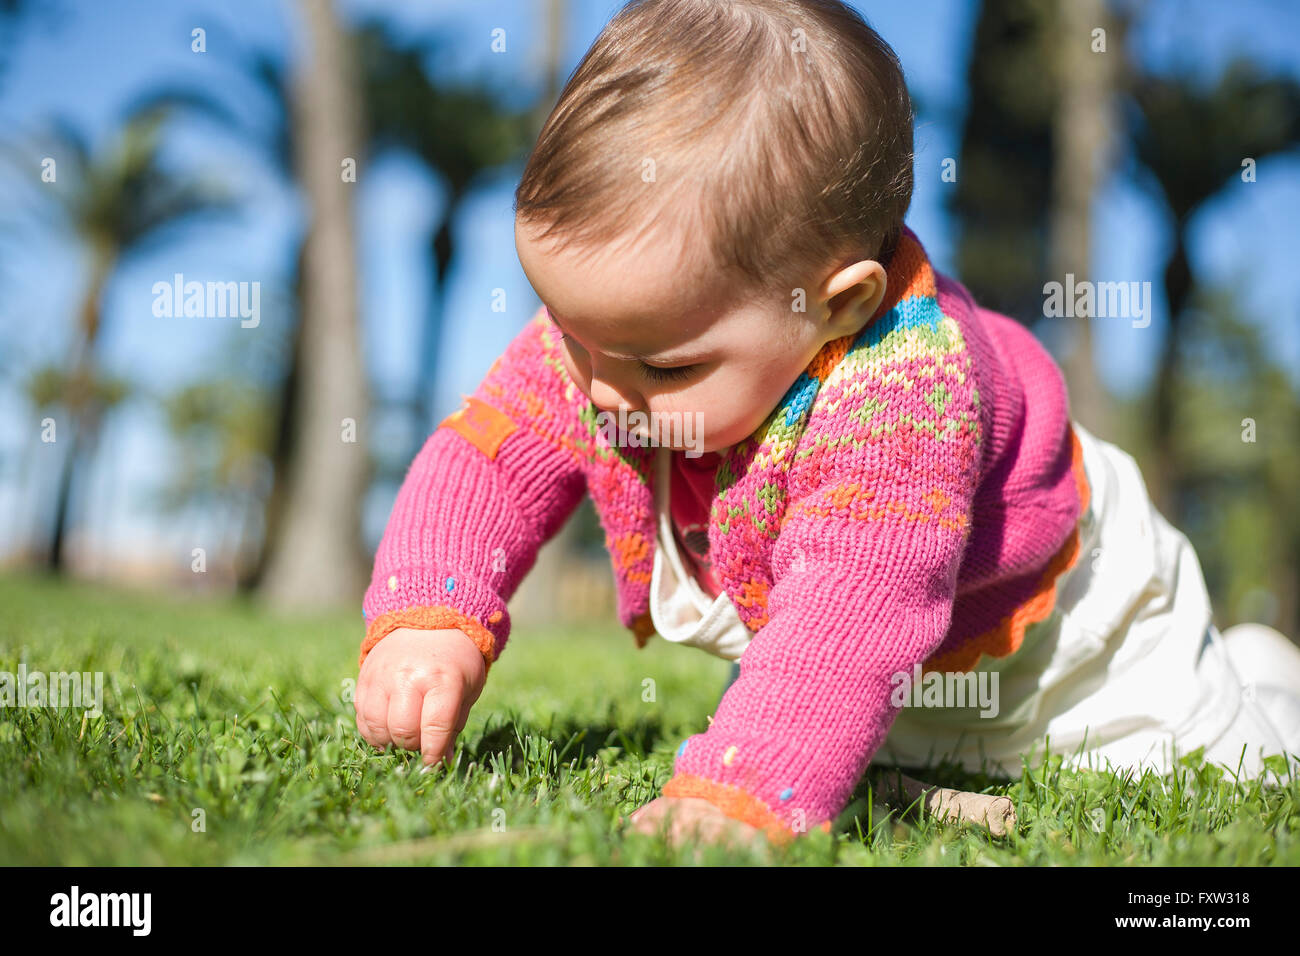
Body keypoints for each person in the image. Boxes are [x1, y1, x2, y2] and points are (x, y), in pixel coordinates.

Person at [352, 0, 1300, 848]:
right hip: (882, 667)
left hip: (1076, 628)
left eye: (665, 366)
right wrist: (426, 613)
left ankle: (1267, 688)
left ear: (838, 306)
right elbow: (491, 456)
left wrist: (741, 792)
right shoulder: (612, 344)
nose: (597, 389)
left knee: (1229, 771)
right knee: (891, 755)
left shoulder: (904, 397)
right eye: (569, 329)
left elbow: (854, 606)